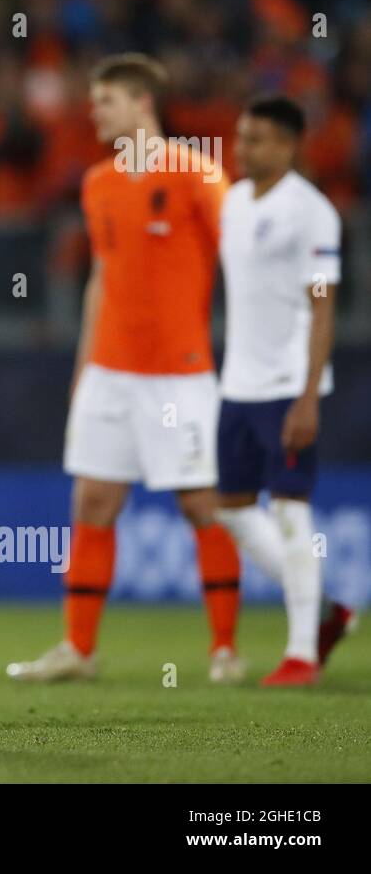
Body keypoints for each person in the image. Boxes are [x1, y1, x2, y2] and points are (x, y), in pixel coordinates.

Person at [7, 54, 243, 683]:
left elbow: (239, 260)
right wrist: (86, 369)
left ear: (142, 103)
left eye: (105, 99)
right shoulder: (98, 183)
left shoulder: (198, 174)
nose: (94, 111)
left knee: (200, 503)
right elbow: (101, 279)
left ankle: (225, 648)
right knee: (93, 501)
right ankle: (78, 650)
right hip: (110, 368)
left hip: (179, 371)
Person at [215, 95, 355, 687]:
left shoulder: (313, 212)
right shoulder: (236, 202)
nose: (245, 149)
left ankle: (301, 654)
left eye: (259, 139)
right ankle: (327, 610)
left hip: (286, 386)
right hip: (237, 383)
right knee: (234, 510)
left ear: (290, 145)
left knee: (292, 509)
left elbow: (324, 309)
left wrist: (306, 394)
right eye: (242, 137)